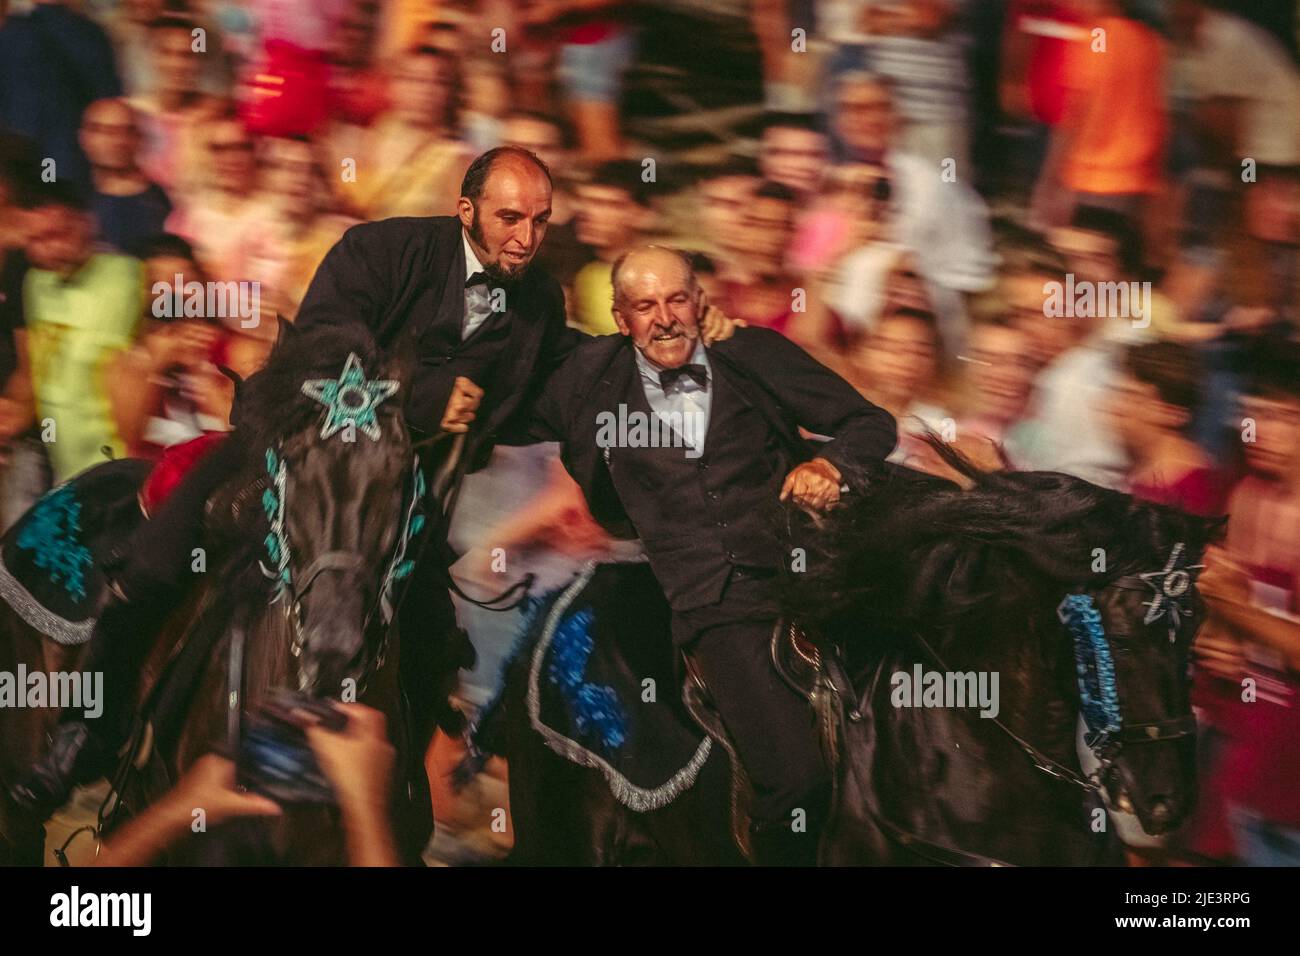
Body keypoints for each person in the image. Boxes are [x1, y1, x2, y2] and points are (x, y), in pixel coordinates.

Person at [10, 146, 735, 824]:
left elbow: (577, 369)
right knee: (156, 562)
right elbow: (320, 358)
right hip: (295, 459)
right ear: (467, 211)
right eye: (510, 217)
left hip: (397, 506)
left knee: (430, 639)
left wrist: (670, 341)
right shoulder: (381, 251)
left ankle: (401, 799)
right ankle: (83, 738)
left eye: (541, 221)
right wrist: (421, 400)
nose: (525, 237)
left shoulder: (537, 301)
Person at [516, 245, 897, 864]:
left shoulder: (752, 353)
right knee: (797, 781)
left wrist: (831, 464)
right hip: (715, 608)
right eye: (644, 306)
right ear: (620, 318)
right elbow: (503, 387)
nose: (664, 318)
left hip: (816, 581)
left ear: (699, 303)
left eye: (675, 300)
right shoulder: (587, 379)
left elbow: (869, 423)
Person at [80, 97, 172, 256]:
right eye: (103, 131)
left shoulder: (164, 202)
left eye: (126, 131)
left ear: (139, 138)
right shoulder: (74, 200)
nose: (116, 141)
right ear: (84, 137)